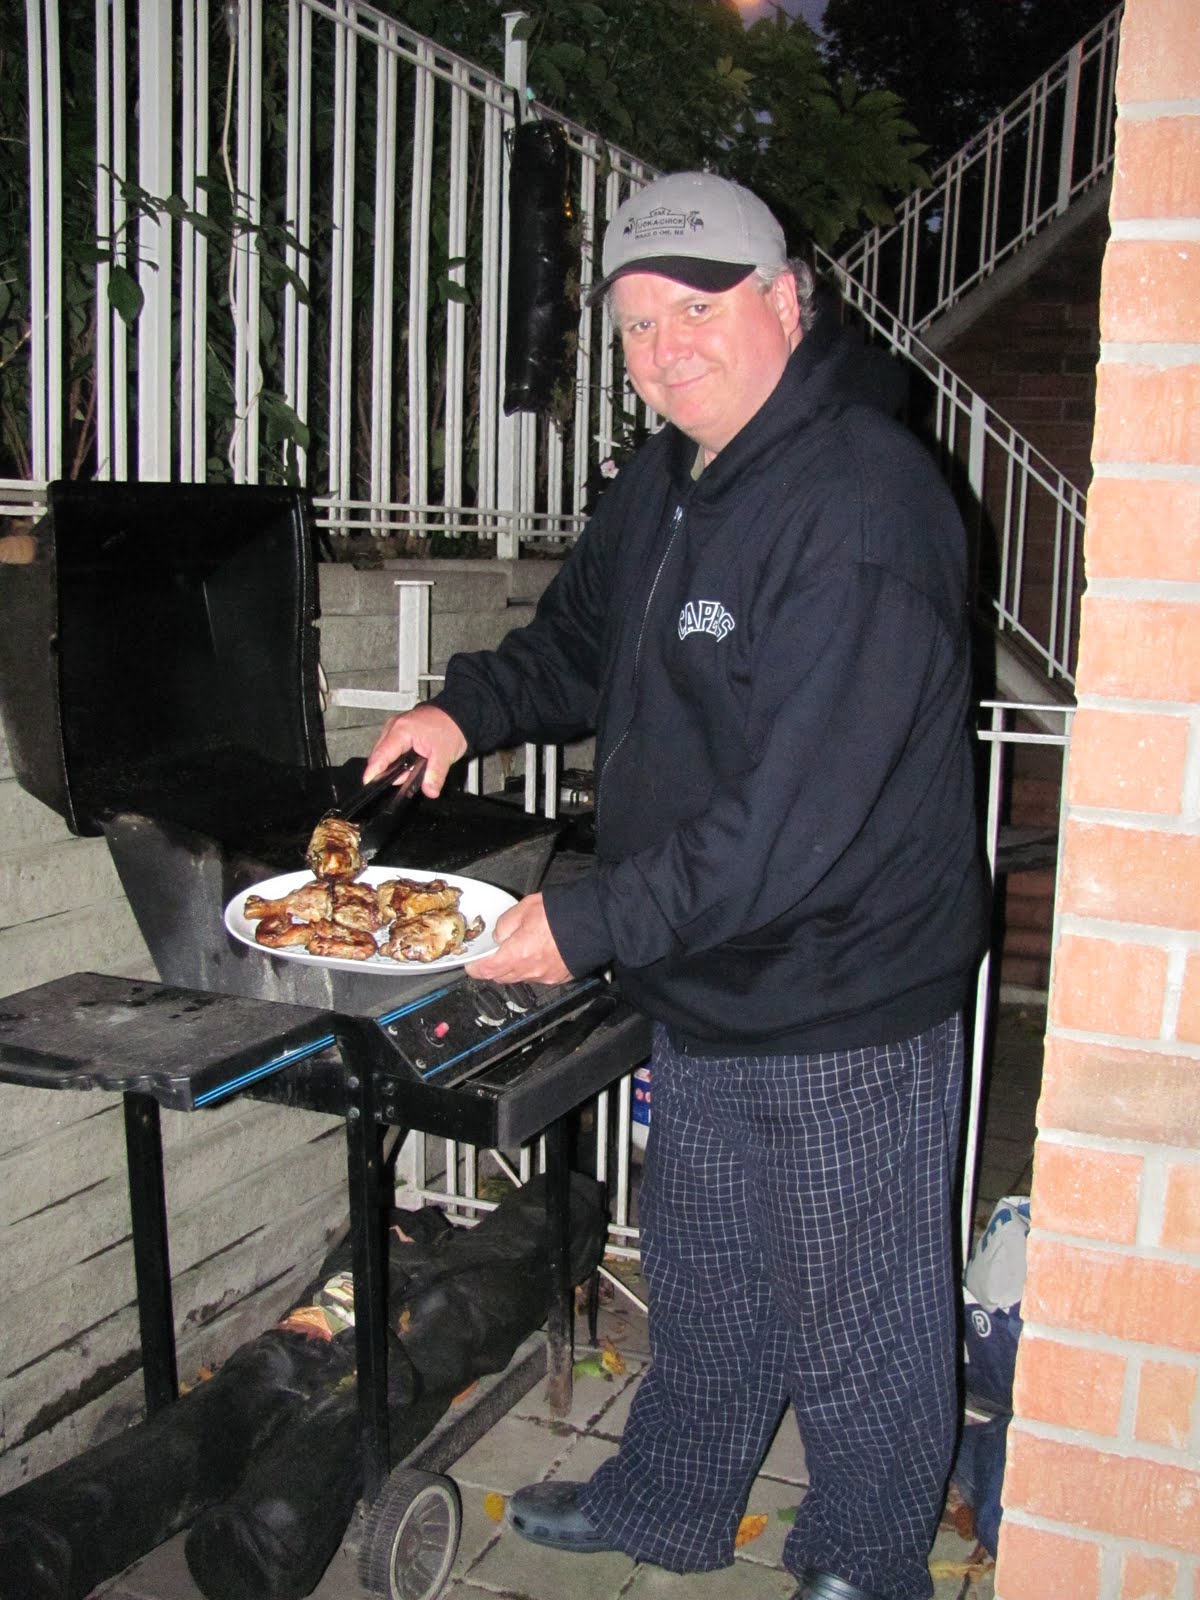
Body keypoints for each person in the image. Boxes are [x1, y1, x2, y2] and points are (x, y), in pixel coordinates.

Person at [363, 170, 987, 1600]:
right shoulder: (664, 482)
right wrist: (465, 712)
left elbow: (791, 826)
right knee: (707, 1276)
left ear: (785, 299)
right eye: (637, 325)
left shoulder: (865, 510)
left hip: (844, 986)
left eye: (695, 311)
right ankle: (672, 1503)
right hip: (703, 965)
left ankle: (864, 1559)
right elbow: (578, 642)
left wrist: (583, 927)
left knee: (858, 1314)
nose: (662, 353)